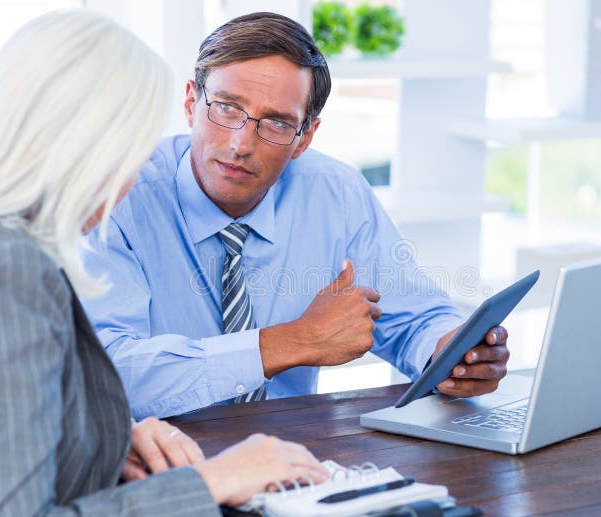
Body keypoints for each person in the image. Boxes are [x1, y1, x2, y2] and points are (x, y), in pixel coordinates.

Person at [0, 10, 329, 517]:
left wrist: (105, 437)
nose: (135, 174)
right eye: (136, 146)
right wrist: (214, 480)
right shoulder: (6, 274)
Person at [82, 11, 510, 420]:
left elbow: (415, 317)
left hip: (294, 452)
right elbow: (108, 373)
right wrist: (289, 343)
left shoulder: (334, 192)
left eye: (276, 123)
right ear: (192, 103)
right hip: (158, 459)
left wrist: (452, 352)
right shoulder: (118, 194)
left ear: (305, 137)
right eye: (227, 108)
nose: (240, 144)